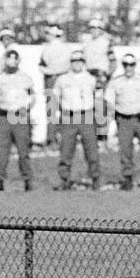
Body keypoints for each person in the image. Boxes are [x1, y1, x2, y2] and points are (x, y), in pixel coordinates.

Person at [0, 47, 36, 192]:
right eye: (9, 59)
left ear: (18, 61)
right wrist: (0, 106)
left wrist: (26, 108)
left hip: (19, 116)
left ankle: (27, 180)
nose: (12, 62)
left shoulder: (26, 78)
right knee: (1, 150)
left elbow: (32, 96)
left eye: (15, 59)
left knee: (23, 150)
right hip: (4, 115)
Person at [106, 53, 140, 191]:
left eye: (131, 64)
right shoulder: (116, 81)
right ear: (123, 65)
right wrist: (114, 113)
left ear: (135, 65)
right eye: (126, 64)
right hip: (124, 119)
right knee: (125, 151)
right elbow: (109, 100)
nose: (128, 67)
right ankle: (127, 178)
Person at [53, 50, 100, 190]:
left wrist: (101, 121)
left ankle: (95, 179)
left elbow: (98, 99)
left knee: (91, 151)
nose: (77, 64)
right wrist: (55, 119)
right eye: (74, 61)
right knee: (66, 150)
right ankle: (64, 179)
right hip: (69, 116)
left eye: (79, 61)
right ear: (70, 63)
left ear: (84, 62)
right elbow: (54, 99)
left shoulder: (91, 79)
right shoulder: (62, 80)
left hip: (87, 115)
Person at [38, 25, 72, 96]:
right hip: (65, 77)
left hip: (51, 78)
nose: (46, 36)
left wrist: (49, 70)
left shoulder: (48, 48)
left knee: (52, 103)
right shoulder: (66, 48)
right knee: (64, 101)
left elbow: (42, 65)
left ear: (52, 35)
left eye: (47, 34)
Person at [81, 17, 113, 88]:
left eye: (97, 28)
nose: (94, 30)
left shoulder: (106, 43)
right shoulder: (86, 43)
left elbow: (113, 62)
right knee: (88, 96)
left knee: (99, 97)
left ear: (101, 30)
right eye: (92, 28)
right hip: (88, 74)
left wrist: (107, 76)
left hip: (100, 74)